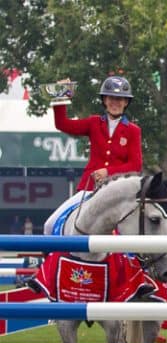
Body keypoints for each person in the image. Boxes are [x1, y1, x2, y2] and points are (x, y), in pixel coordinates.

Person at [44, 75, 142, 235]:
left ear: (126, 102)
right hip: (89, 189)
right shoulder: (94, 123)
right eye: (111, 98)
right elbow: (62, 124)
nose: (115, 103)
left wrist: (108, 172)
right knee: (49, 225)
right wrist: (61, 95)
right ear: (104, 100)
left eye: (119, 99)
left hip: (117, 194)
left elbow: (135, 165)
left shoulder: (133, 130)